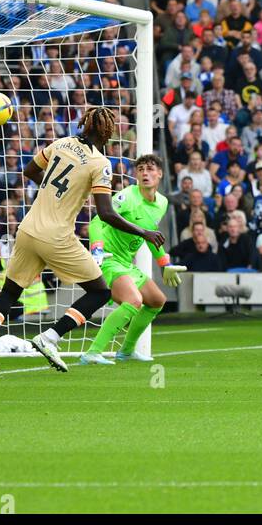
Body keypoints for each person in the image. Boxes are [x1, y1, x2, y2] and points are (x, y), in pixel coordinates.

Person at [0, 107, 167, 375]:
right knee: (100, 292)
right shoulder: (101, 164)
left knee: (10, 291)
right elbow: (106, 214)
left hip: (27, 228)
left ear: (84, 124)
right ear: (107, 132)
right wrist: (143, 233)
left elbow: (29, 170)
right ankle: (50, 337)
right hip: (57, 235)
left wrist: (55, 191)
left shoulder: (61, 142)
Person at [80, 154, 183, 366]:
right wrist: (97, 248)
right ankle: (93, 352)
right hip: (108, 259)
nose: (145, 173)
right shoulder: (126, 196)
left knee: (156, 300)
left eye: (150, 169)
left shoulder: (162, 203)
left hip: (126, 262)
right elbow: (96, 222)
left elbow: (151, 235)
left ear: (160, 174)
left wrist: (164, 264)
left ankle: (126, 351)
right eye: (141, 169)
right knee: (134, 301)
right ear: (136, 175)